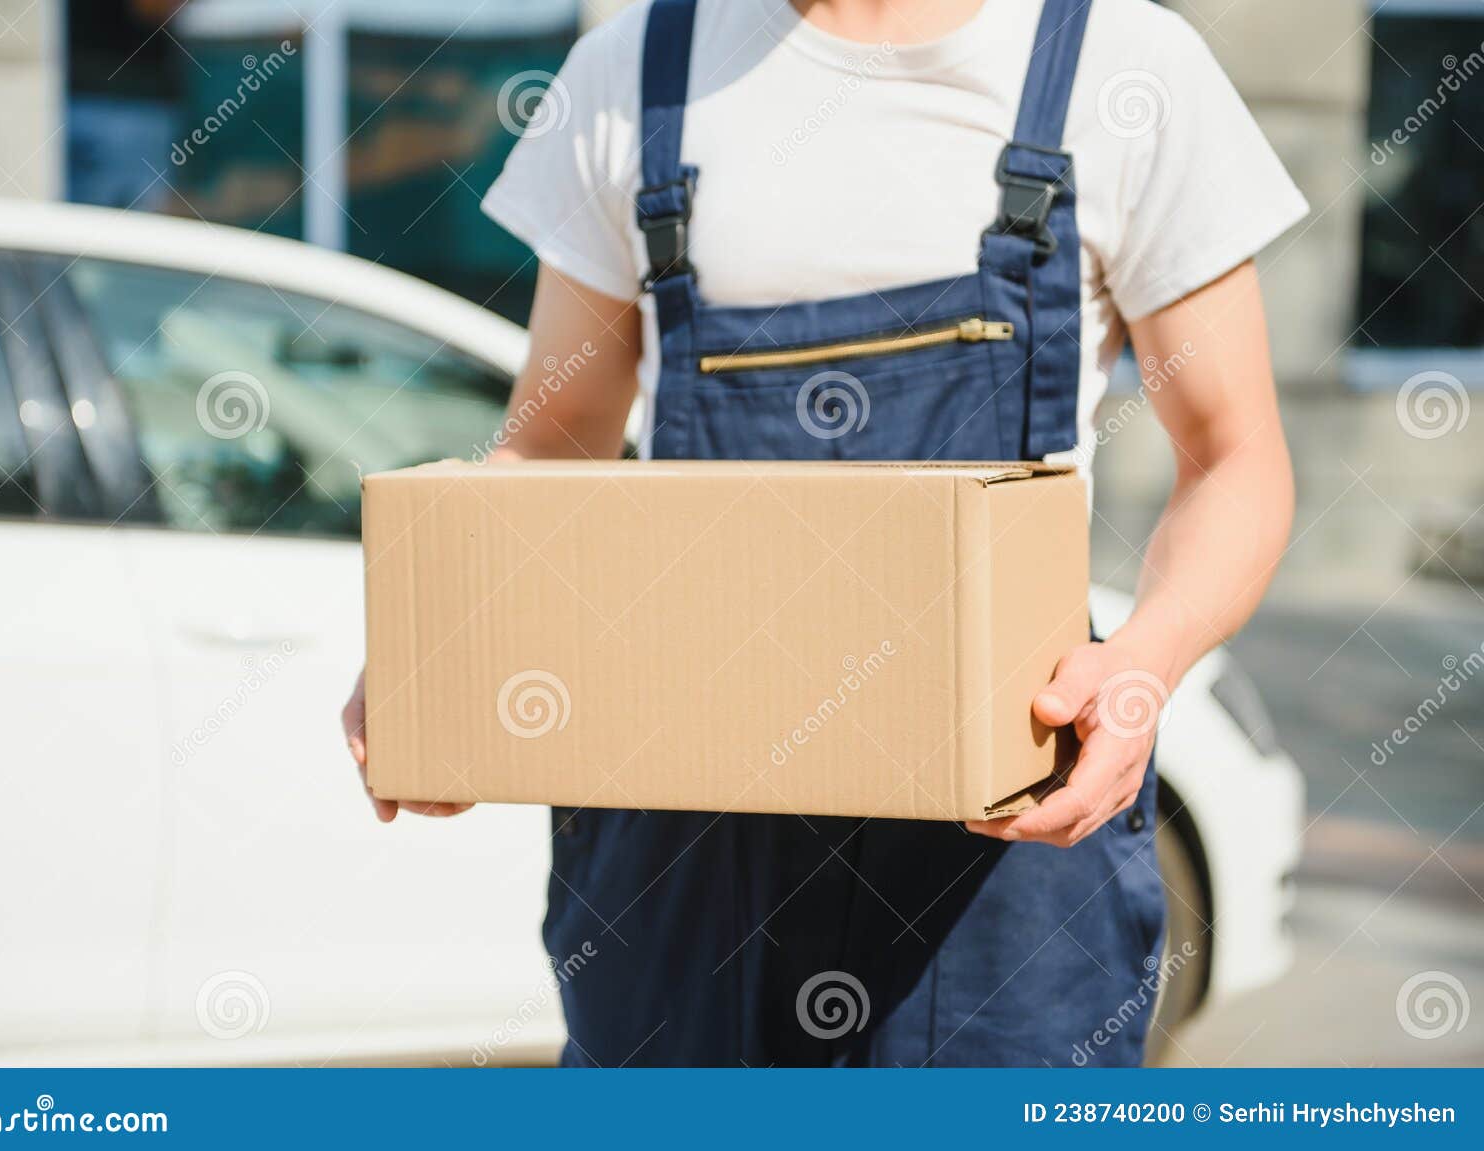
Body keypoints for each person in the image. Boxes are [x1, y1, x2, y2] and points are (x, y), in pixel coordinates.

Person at [341, 0, 1304, 1066]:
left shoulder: (1123, 68)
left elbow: (1234, 461)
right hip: (679, 832)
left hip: (998, 850)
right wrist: (448, 631)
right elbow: (556, 440)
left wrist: (1142, 667)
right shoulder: (633, 71)